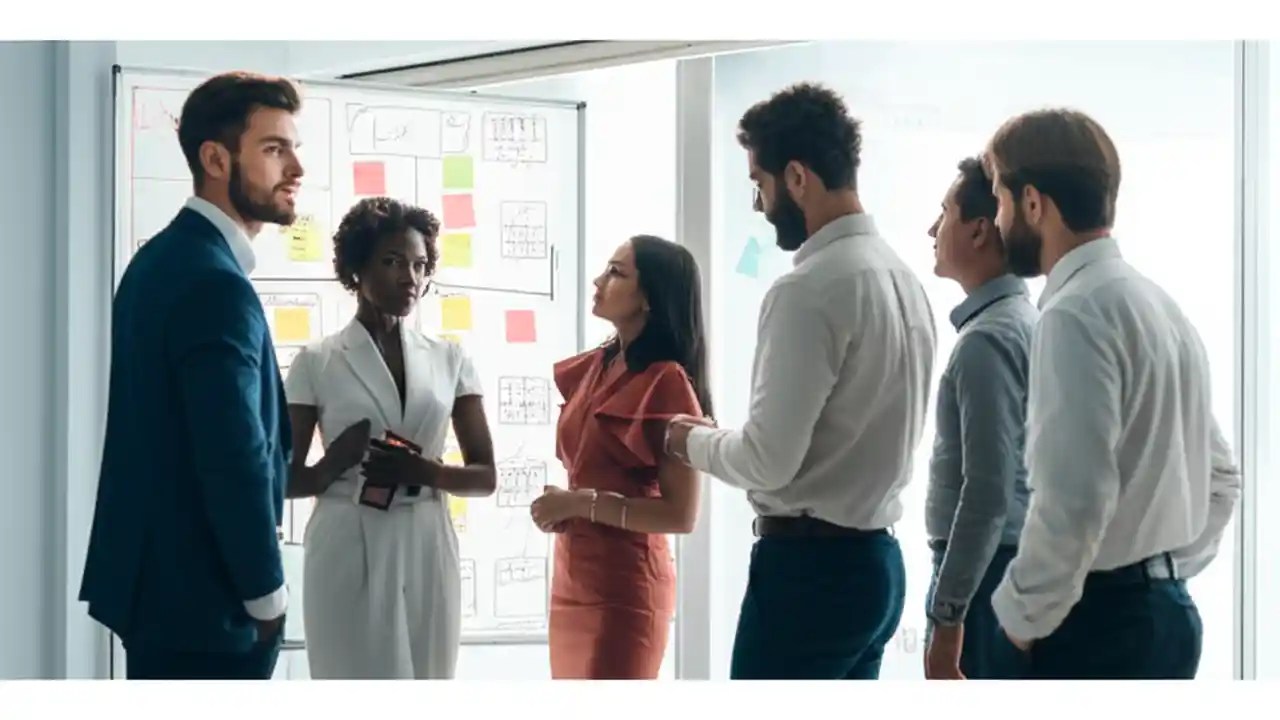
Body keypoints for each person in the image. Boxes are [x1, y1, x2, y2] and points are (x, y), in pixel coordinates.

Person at [665, 82, 937, 680]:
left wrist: (687, 439)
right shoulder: (904, 280)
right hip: (878, 566)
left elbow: (767, 461)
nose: (759, 207)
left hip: (810, 576)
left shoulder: (807, 289)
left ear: (796, 177)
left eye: (759, 185)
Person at [983, 108, 1242, 679]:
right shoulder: (1157, 303)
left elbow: (1072, 501)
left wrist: (1018, 625)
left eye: (1000, 200)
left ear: (1033, 203)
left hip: (1094, 628)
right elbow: (1222, 479)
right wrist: (1161, 571)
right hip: (1164, 620)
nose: (997, 222)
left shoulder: (1074, 314)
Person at [79, 71, 306, 679]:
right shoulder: (213, 283)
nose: (296, 169)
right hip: (209, 606)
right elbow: (232, 454)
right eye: (273, 148)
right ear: (215, 158)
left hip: (162, 595)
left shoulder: (160, 260)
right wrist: (266, 594)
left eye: (294, 147)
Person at [283, 196, 497, 679]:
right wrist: (330, 465)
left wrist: (427, 472)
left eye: (420, 265)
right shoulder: (316, 361)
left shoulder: (450, 358)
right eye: (393, 262)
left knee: (428, 680)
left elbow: (485, 476)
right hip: (347, 536)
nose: (411, 278)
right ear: (357, 269)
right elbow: (285, 479)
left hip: (426, 538)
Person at [529, 234, 712, 679]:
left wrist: (578, 503)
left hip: (625, 586)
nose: (598, 281)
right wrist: (565, 503)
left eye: (616, 273)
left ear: (649, 297)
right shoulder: (596, 364)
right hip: (572, 574)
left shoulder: (666, 380)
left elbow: (680, 515)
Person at [921, 156, 1036, 680]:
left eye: (943, 212)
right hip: (1005, 567)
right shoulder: (1023, 322)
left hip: (984, 578)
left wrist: (947, 616)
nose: (932, 228)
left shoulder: (987, 340)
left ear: (979, 230)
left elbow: (987, 492)